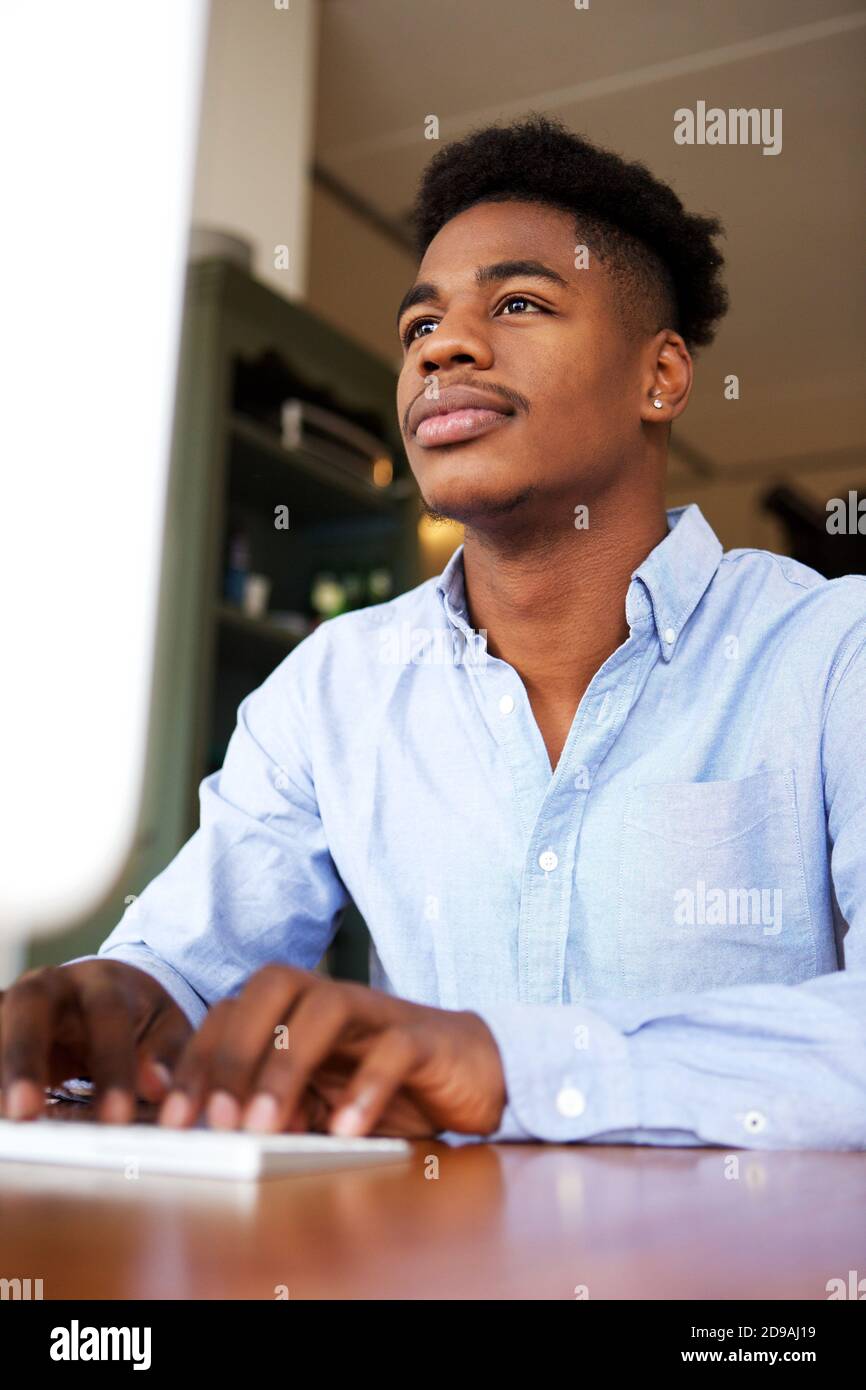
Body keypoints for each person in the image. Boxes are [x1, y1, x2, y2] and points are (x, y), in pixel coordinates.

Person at [2, 115, 865, 1148]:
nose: (441, 347)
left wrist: (506, 1064)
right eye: (418, 329)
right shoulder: (333, 687)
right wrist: (117, 995)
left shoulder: (829, 653)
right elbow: (187, 966)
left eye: (516, 302)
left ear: (660, 376)